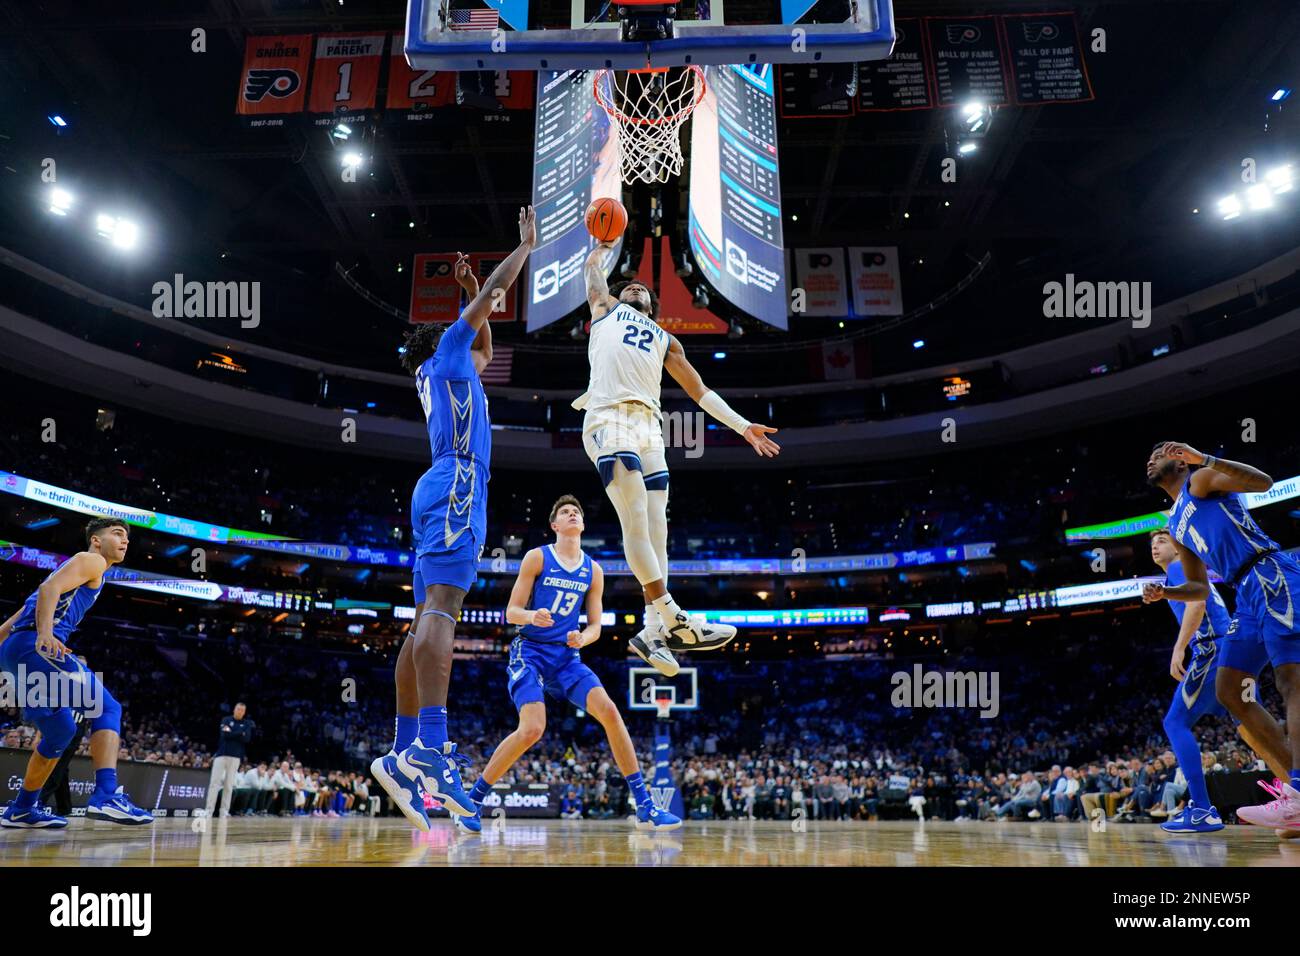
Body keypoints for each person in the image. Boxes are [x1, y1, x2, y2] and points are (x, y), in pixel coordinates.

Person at [371, 207, 538, 832]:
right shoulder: (446, 353)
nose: (473, 333)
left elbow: (488, 331)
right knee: (443, 608)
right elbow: (496, 299)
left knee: (425, 619)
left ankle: (402, 746)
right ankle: (431, 750)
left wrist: (472, 294)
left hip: (441, 486)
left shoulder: (446, 369)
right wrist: (522, 248)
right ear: (447, 336)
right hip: (458, 485)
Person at [578, 240, 781, 675]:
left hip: (650, 427)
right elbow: (593, 275)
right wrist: (598, 251)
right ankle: (673, 614)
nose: (635, 288)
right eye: (628, 285)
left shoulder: (667, 340)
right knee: (633, 512)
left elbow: (701, 392)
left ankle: (653, 632)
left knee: (658, 529)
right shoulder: (605, 310)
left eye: (641, 289)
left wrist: (743, 426)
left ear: (652, 306)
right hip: (608, 417)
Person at [459, 495, 682, 833]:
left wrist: (585, 638)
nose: (572, 514)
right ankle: (472, 801)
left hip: (566, 658)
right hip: (530, 652)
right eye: (565, 512)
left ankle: (646, 806)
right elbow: (511, 612)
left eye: (576, 511)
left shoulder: (593, 569)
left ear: (582, 524)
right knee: (533, 728)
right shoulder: (537, 557)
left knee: (610, 713)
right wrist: (532, 615)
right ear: (555, 526)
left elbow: (596, 625)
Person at [1143, 441, 1300, 831]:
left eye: (1161, 451)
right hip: (1244, 593)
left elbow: (1263, 483)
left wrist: (1205, 458)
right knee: (1230, 690)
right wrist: (1167, 593)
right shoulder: (1177, 523)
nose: (1151, 457)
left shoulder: (1201, 479)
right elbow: (1198, 587)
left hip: (1270, 572)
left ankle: (1297, 793)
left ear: (1179, 460)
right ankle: (1293, 791)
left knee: (1291, 679)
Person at [0, 517, 151, 828]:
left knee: (60, 731)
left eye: (127, 537)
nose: (125, 540)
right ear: (96, 540)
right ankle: (106, 794)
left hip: (15, 651)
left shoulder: (74, 572)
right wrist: (44, 634)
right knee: (107, 707)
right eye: (117, 533)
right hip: (34, 645)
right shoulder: (91, 560)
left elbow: (8, 625)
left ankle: (23, 808)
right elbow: (48, 588)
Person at [204, 701, 252, 820]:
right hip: (221, 755)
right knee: (214, 783)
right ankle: (208, 811)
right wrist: (240, 733)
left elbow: (247, 739)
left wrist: (233, 733)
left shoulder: (247, 723)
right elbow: (225, 735)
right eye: (238, 709)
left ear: (244, 712)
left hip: (235, 757)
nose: (240, 711)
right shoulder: (226, 720)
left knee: (229, 785)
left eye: (242, 710)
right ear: (234, 710)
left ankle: (224, 811)